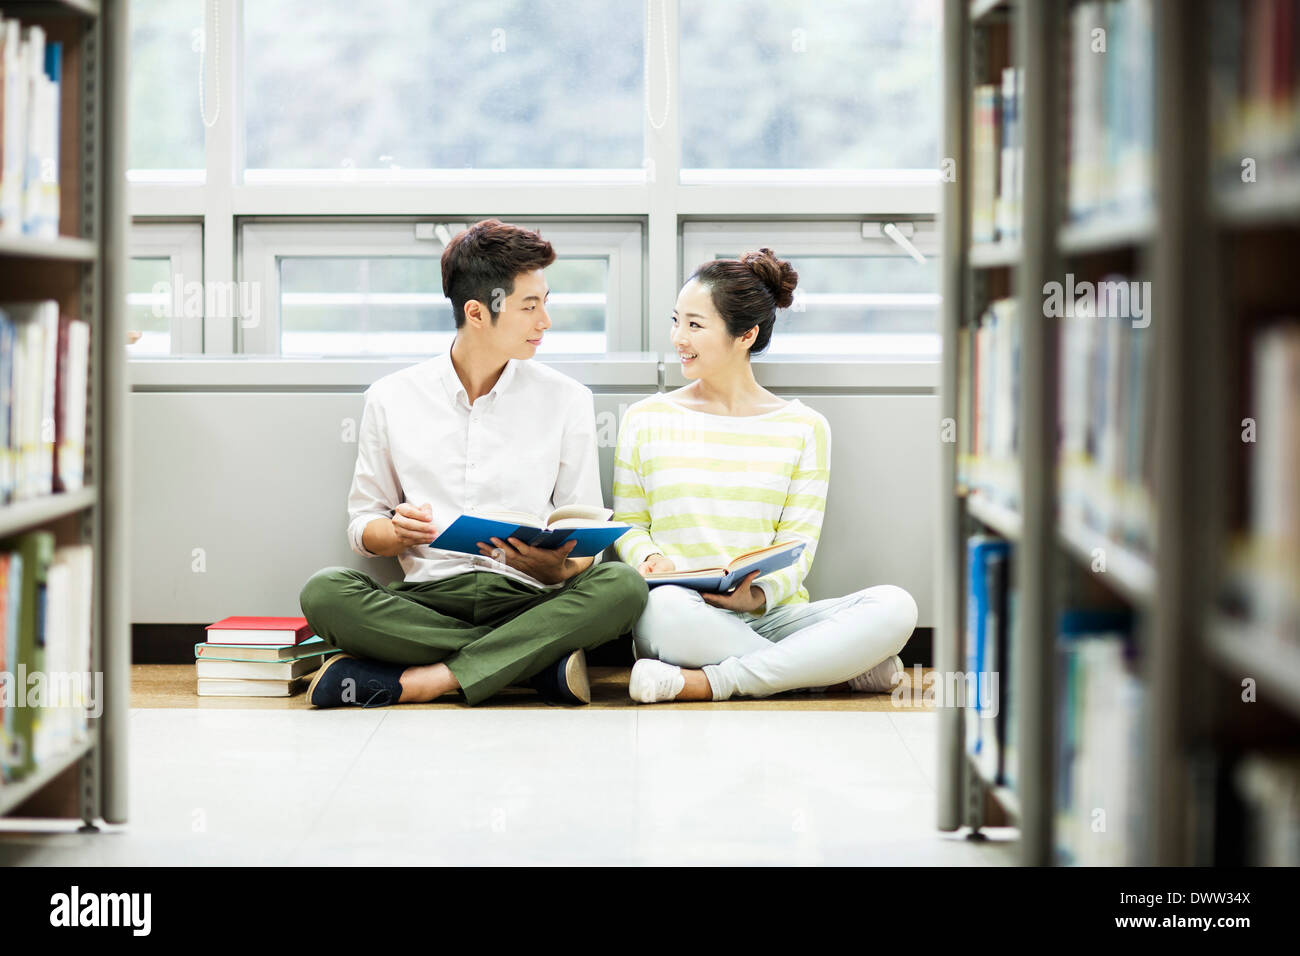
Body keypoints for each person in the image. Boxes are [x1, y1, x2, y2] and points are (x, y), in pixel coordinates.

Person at [299, 219, 647, 708]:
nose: (545, 320)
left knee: (623, 586)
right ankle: (530, 664)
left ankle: (427, 680)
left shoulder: (567, 399)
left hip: (530, 598)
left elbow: (584, 530)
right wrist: (394, 533)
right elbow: (363, 524)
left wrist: (558, 569)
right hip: (429, 599)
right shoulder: (392, 397)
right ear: (477, 312)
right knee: (325, 593)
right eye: (530, 306)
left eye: (545, 302)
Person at [612, 249, 918, 703]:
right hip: (682, 608)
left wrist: (755, 597)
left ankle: (709, 682)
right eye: (676, 320)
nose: (678, 337)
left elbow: (799, 544)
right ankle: (827, 671)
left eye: (695, 325)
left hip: (770, 612)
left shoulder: (804, 427)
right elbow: (629, 525)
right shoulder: (645, 418)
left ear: (746, 335)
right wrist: (649, 559)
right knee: (662, 611)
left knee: (896, 606)